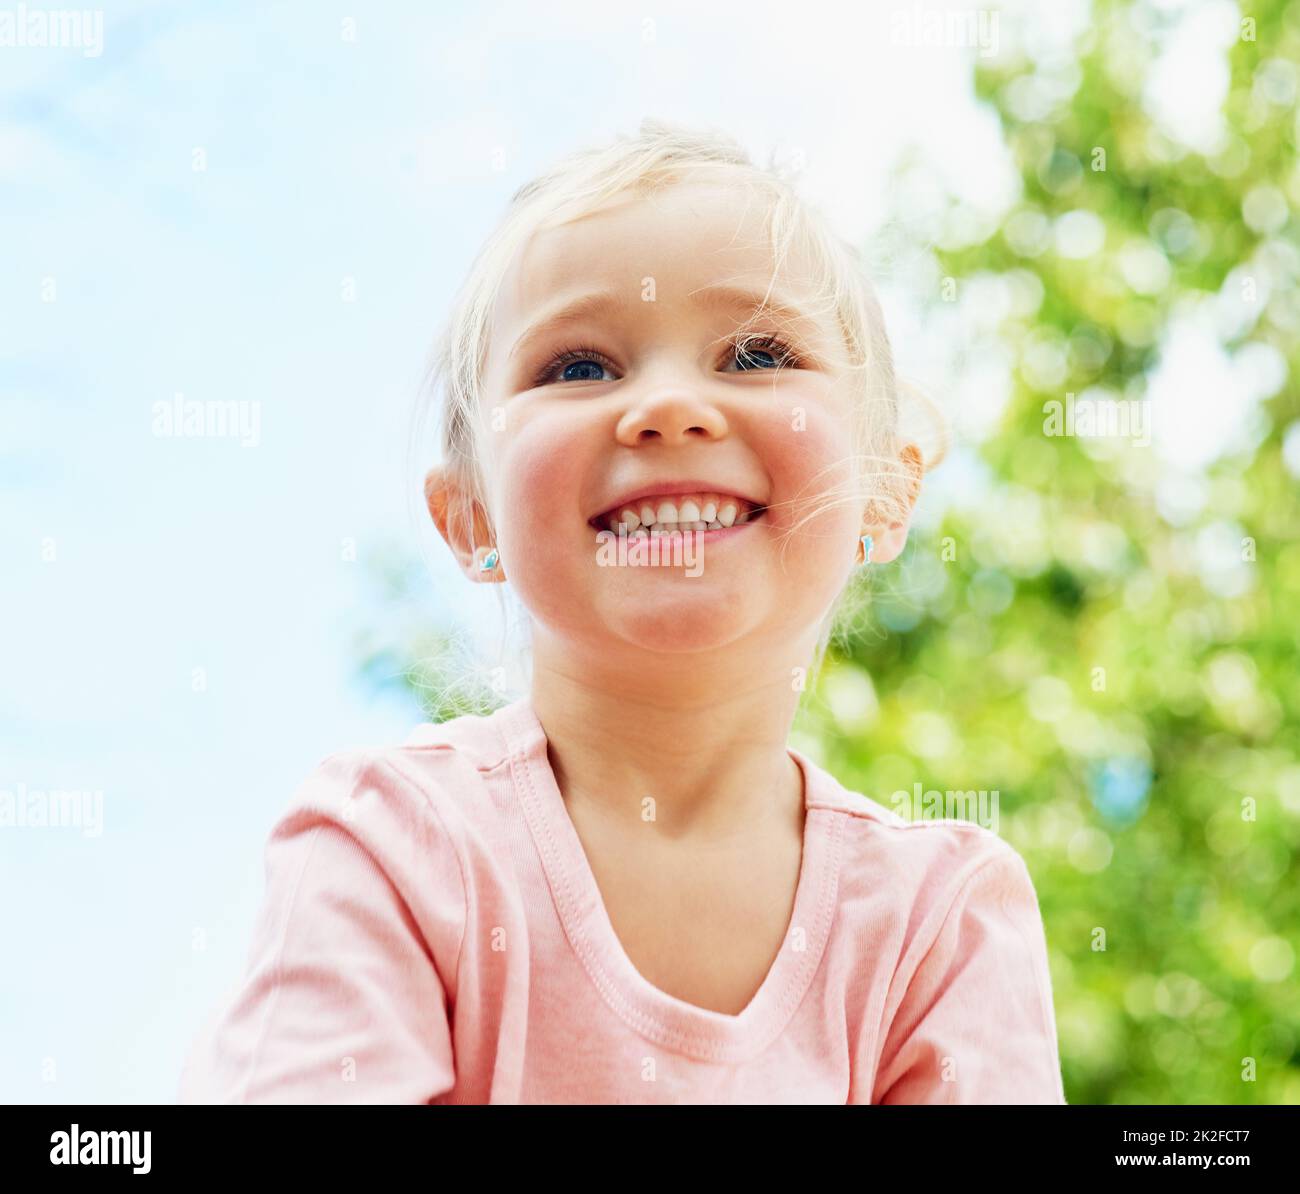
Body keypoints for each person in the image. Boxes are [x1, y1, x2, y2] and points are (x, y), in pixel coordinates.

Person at [178, 119, 1066, 1104]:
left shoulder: (938, 923)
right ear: (469, 514)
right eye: (578, 368)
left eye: (757, 351)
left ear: (885, 490)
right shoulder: (392, 847)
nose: (670, 406)